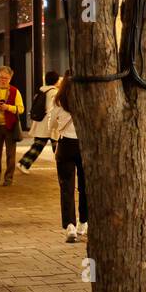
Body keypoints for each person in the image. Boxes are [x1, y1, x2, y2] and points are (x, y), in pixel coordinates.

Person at [49, 73, 87, 242]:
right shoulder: (87, 99)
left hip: (65, 145)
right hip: (85, 146)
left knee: (67, 187)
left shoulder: (58, 100)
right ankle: (83, 222)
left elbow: (51, 124)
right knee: (85, 187)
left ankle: (70, 226)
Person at [0, 66, 24, 187]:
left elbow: (21, 109)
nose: (4, 80)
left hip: (10, 126)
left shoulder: (14, 91)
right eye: (1, 77)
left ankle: (8, 179)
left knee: (10, 155)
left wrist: (8, 107)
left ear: (10, 78)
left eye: (6, 78)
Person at [17, 71, 60, 174]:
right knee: (57, 146)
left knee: (38, 145)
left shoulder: (41, 90)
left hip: (40, 123)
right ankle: (62, 167)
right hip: (50, 124)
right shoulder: (54, 92)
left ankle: (24, 163)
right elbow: (51, 109)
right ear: (56, 80)